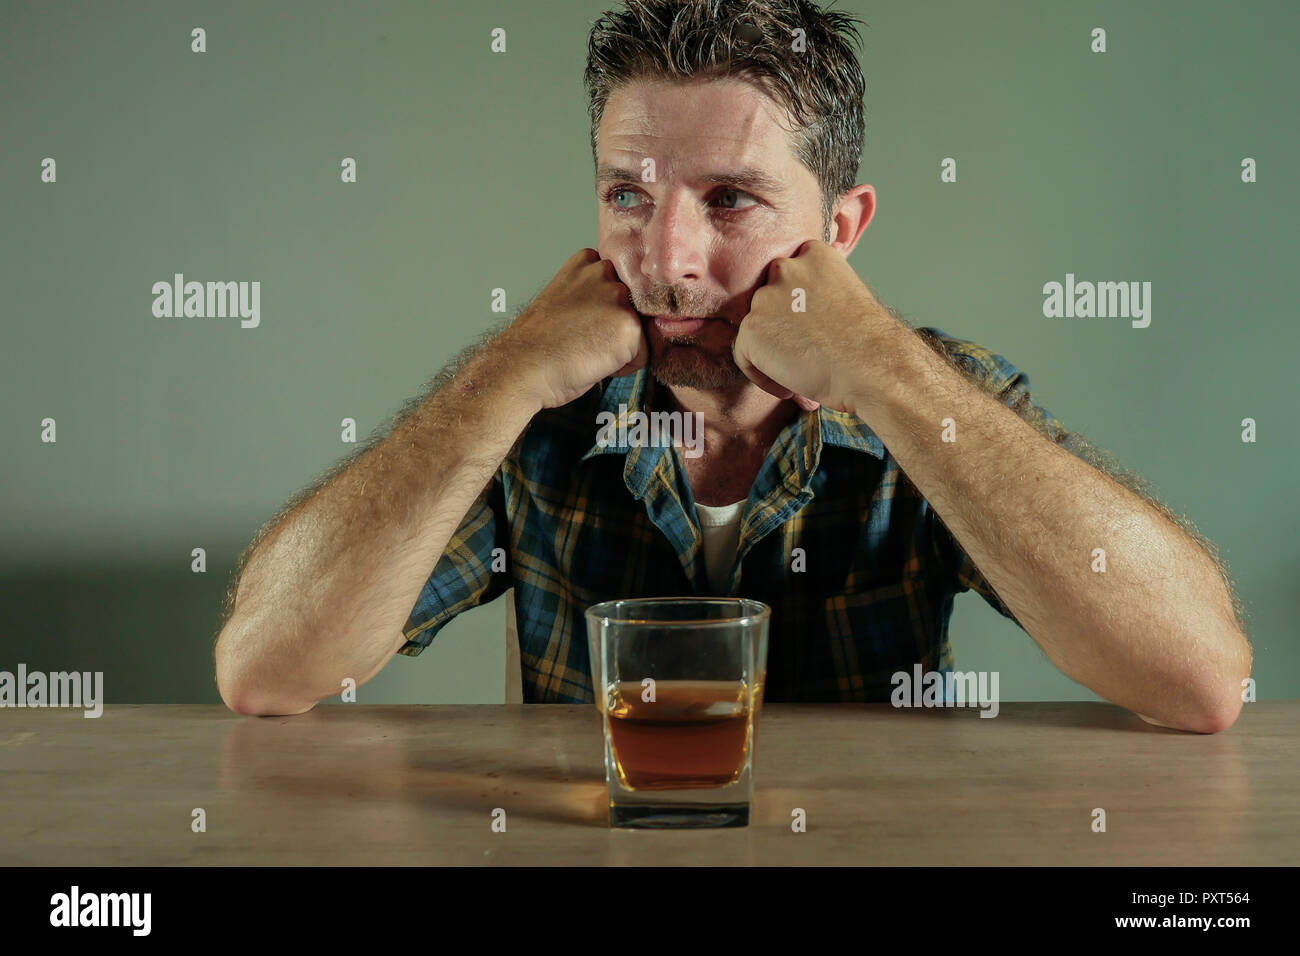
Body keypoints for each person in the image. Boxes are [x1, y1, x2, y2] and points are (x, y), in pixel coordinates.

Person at [215, 0, 1249, 732]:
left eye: (729, 200)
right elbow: (265, 672)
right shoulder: (537, 408)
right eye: (628, 193)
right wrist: (504, 376)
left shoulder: (936, 400)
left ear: (841, 228)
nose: (666, 261)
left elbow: (1199, 679)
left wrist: (884, 367)